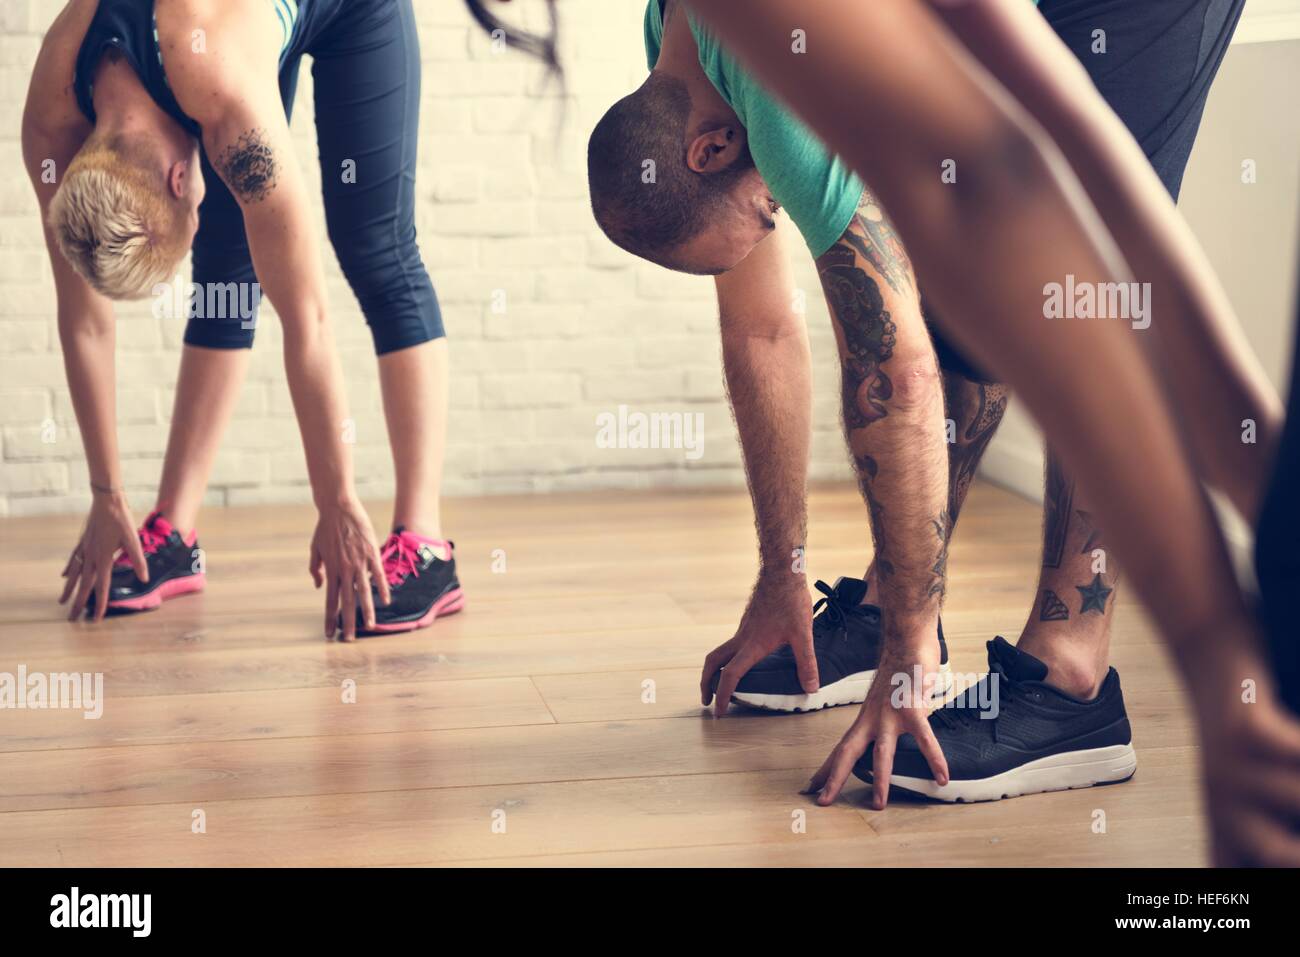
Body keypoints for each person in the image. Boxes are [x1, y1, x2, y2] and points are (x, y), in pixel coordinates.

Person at [22, 0, 462, 640]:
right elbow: (84, 319)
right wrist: (104, 493)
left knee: (376, 251)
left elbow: (305, 316)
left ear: (181, 178)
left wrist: (335, 501)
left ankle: (426, 545)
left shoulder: (226, 104)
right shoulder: (51, 124)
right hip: (212, 40)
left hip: (350, 13)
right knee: (226, 270)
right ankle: (172, 531)